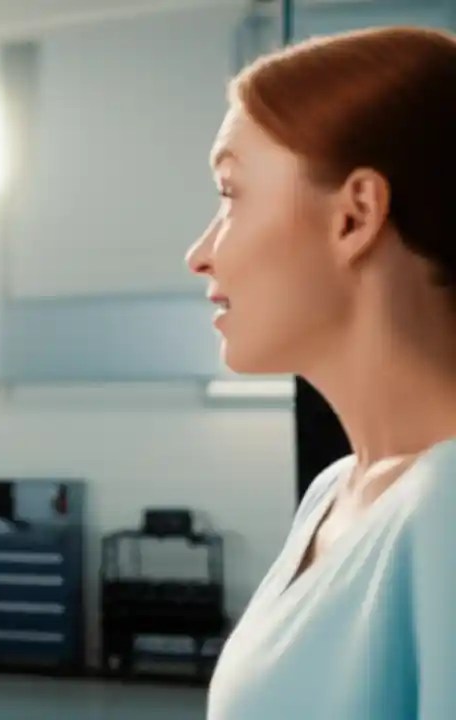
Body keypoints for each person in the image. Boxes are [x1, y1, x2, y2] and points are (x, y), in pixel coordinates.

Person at [185, 25, 456, 720]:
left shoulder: (448, 510)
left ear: (355, 215)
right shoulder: (335, 492)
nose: (200, 253)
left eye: (230, 194)